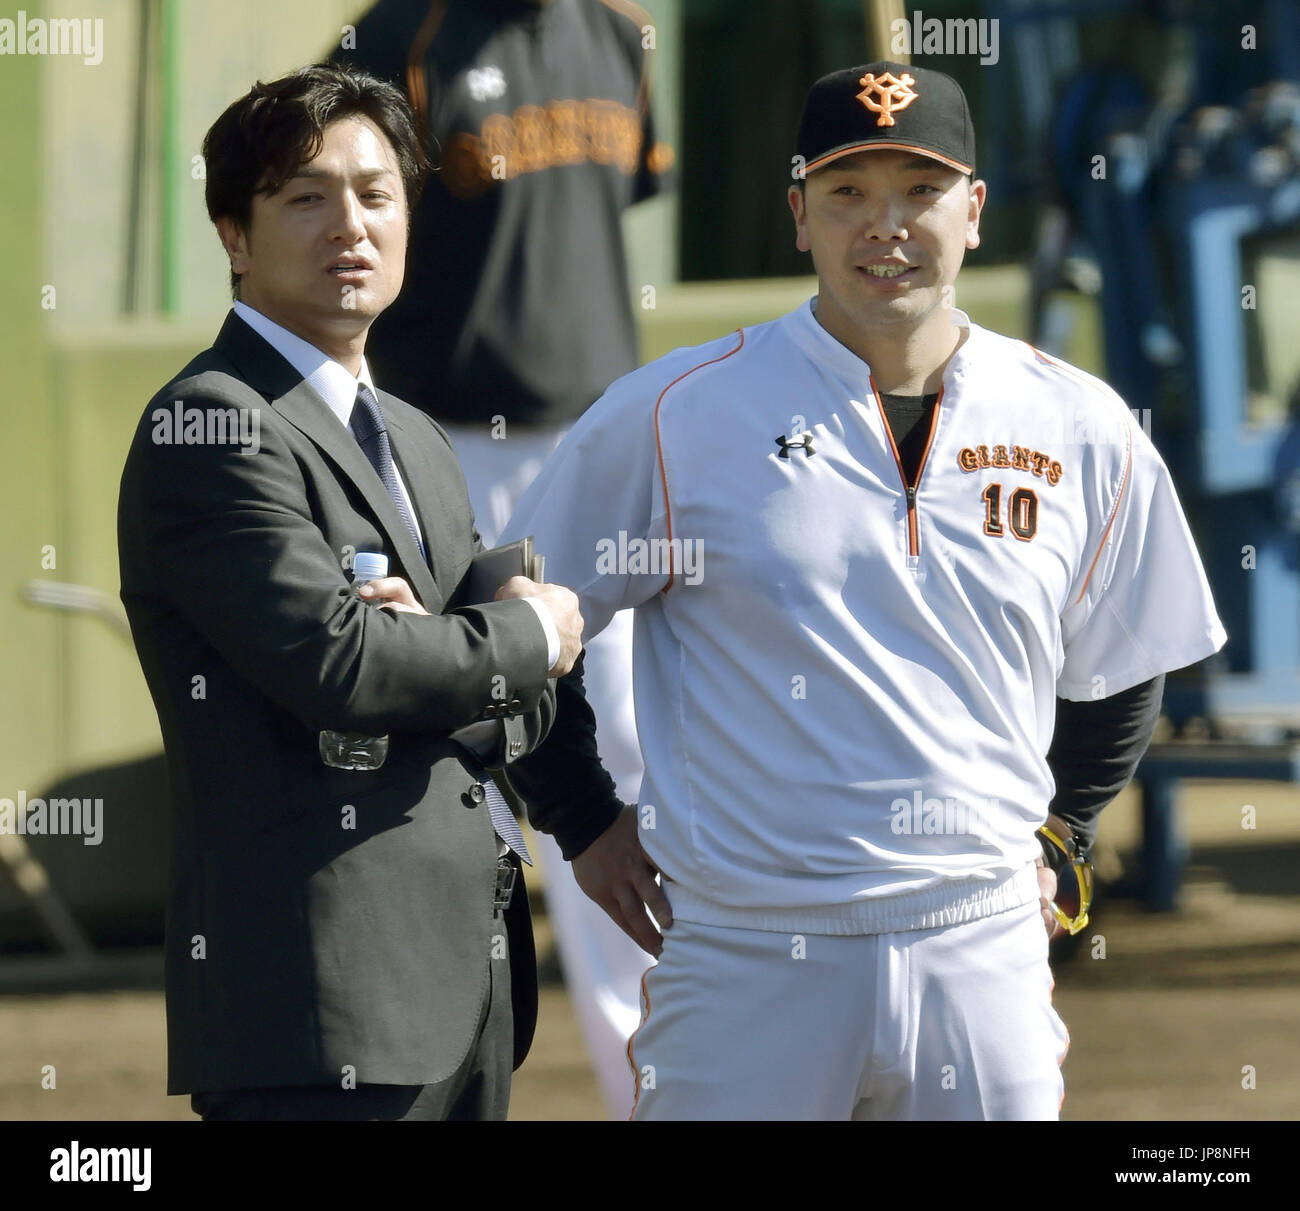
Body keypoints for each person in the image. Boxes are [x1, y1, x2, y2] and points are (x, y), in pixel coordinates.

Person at [503, 62, 1227, 1120]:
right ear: (797, 215)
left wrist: (1065, 836)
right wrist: (580, 816)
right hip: (749, 949)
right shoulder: (671, 412)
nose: (883, 224)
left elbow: (1124, 657)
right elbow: (520, 633)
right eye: (847, 192)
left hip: (978, 941)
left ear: (973, 211)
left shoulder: (1080, 422)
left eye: (918, 190)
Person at [117, 63, 582, 1121]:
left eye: (377, 195)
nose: (350, 226)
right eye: (304, 197)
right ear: (233, 234)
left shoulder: (416, 436)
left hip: (470, 993)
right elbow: (346, 666)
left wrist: (466, 650)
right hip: (316, 1009)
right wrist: (520, 632)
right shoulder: (213, 426)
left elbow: (524, 699)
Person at [332, 0, 673, 1116]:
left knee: (614, 751)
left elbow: (614, 205)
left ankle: (659, 1083)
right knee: (444, 763)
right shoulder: (396, 39)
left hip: (595, 435)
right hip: (441, 450)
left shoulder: (622, 35)